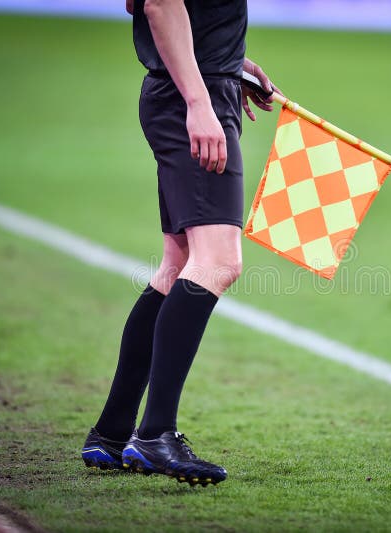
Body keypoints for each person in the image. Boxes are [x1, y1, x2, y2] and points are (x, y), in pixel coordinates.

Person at [81, 0, 278, 486]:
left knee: (180, 263)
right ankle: (154, 435)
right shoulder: (194, 99)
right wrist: (199, 99)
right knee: (218, 262)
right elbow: (158, 4)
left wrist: (228, 61)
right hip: (191, 97)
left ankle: (111, 433)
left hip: (195, 85)